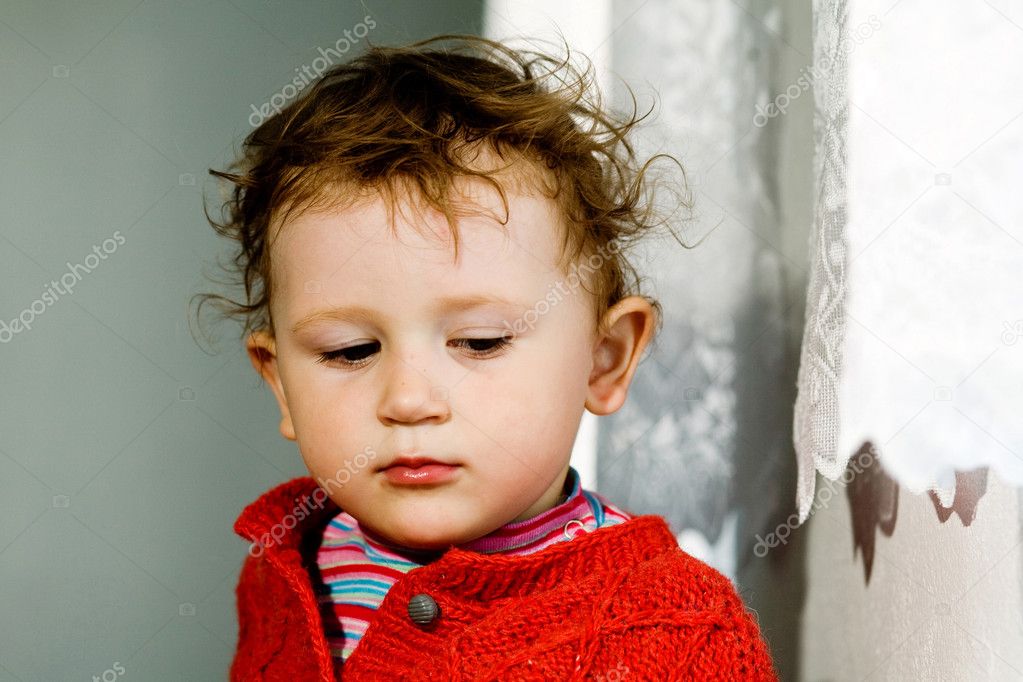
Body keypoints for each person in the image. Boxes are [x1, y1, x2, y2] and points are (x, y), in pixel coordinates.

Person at [200, 33, 779, 681]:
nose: (409, 400)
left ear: (604, 360)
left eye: (480, 342)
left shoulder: (674, 632)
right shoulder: (284, 567)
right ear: (281, 385)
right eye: (350, 350)